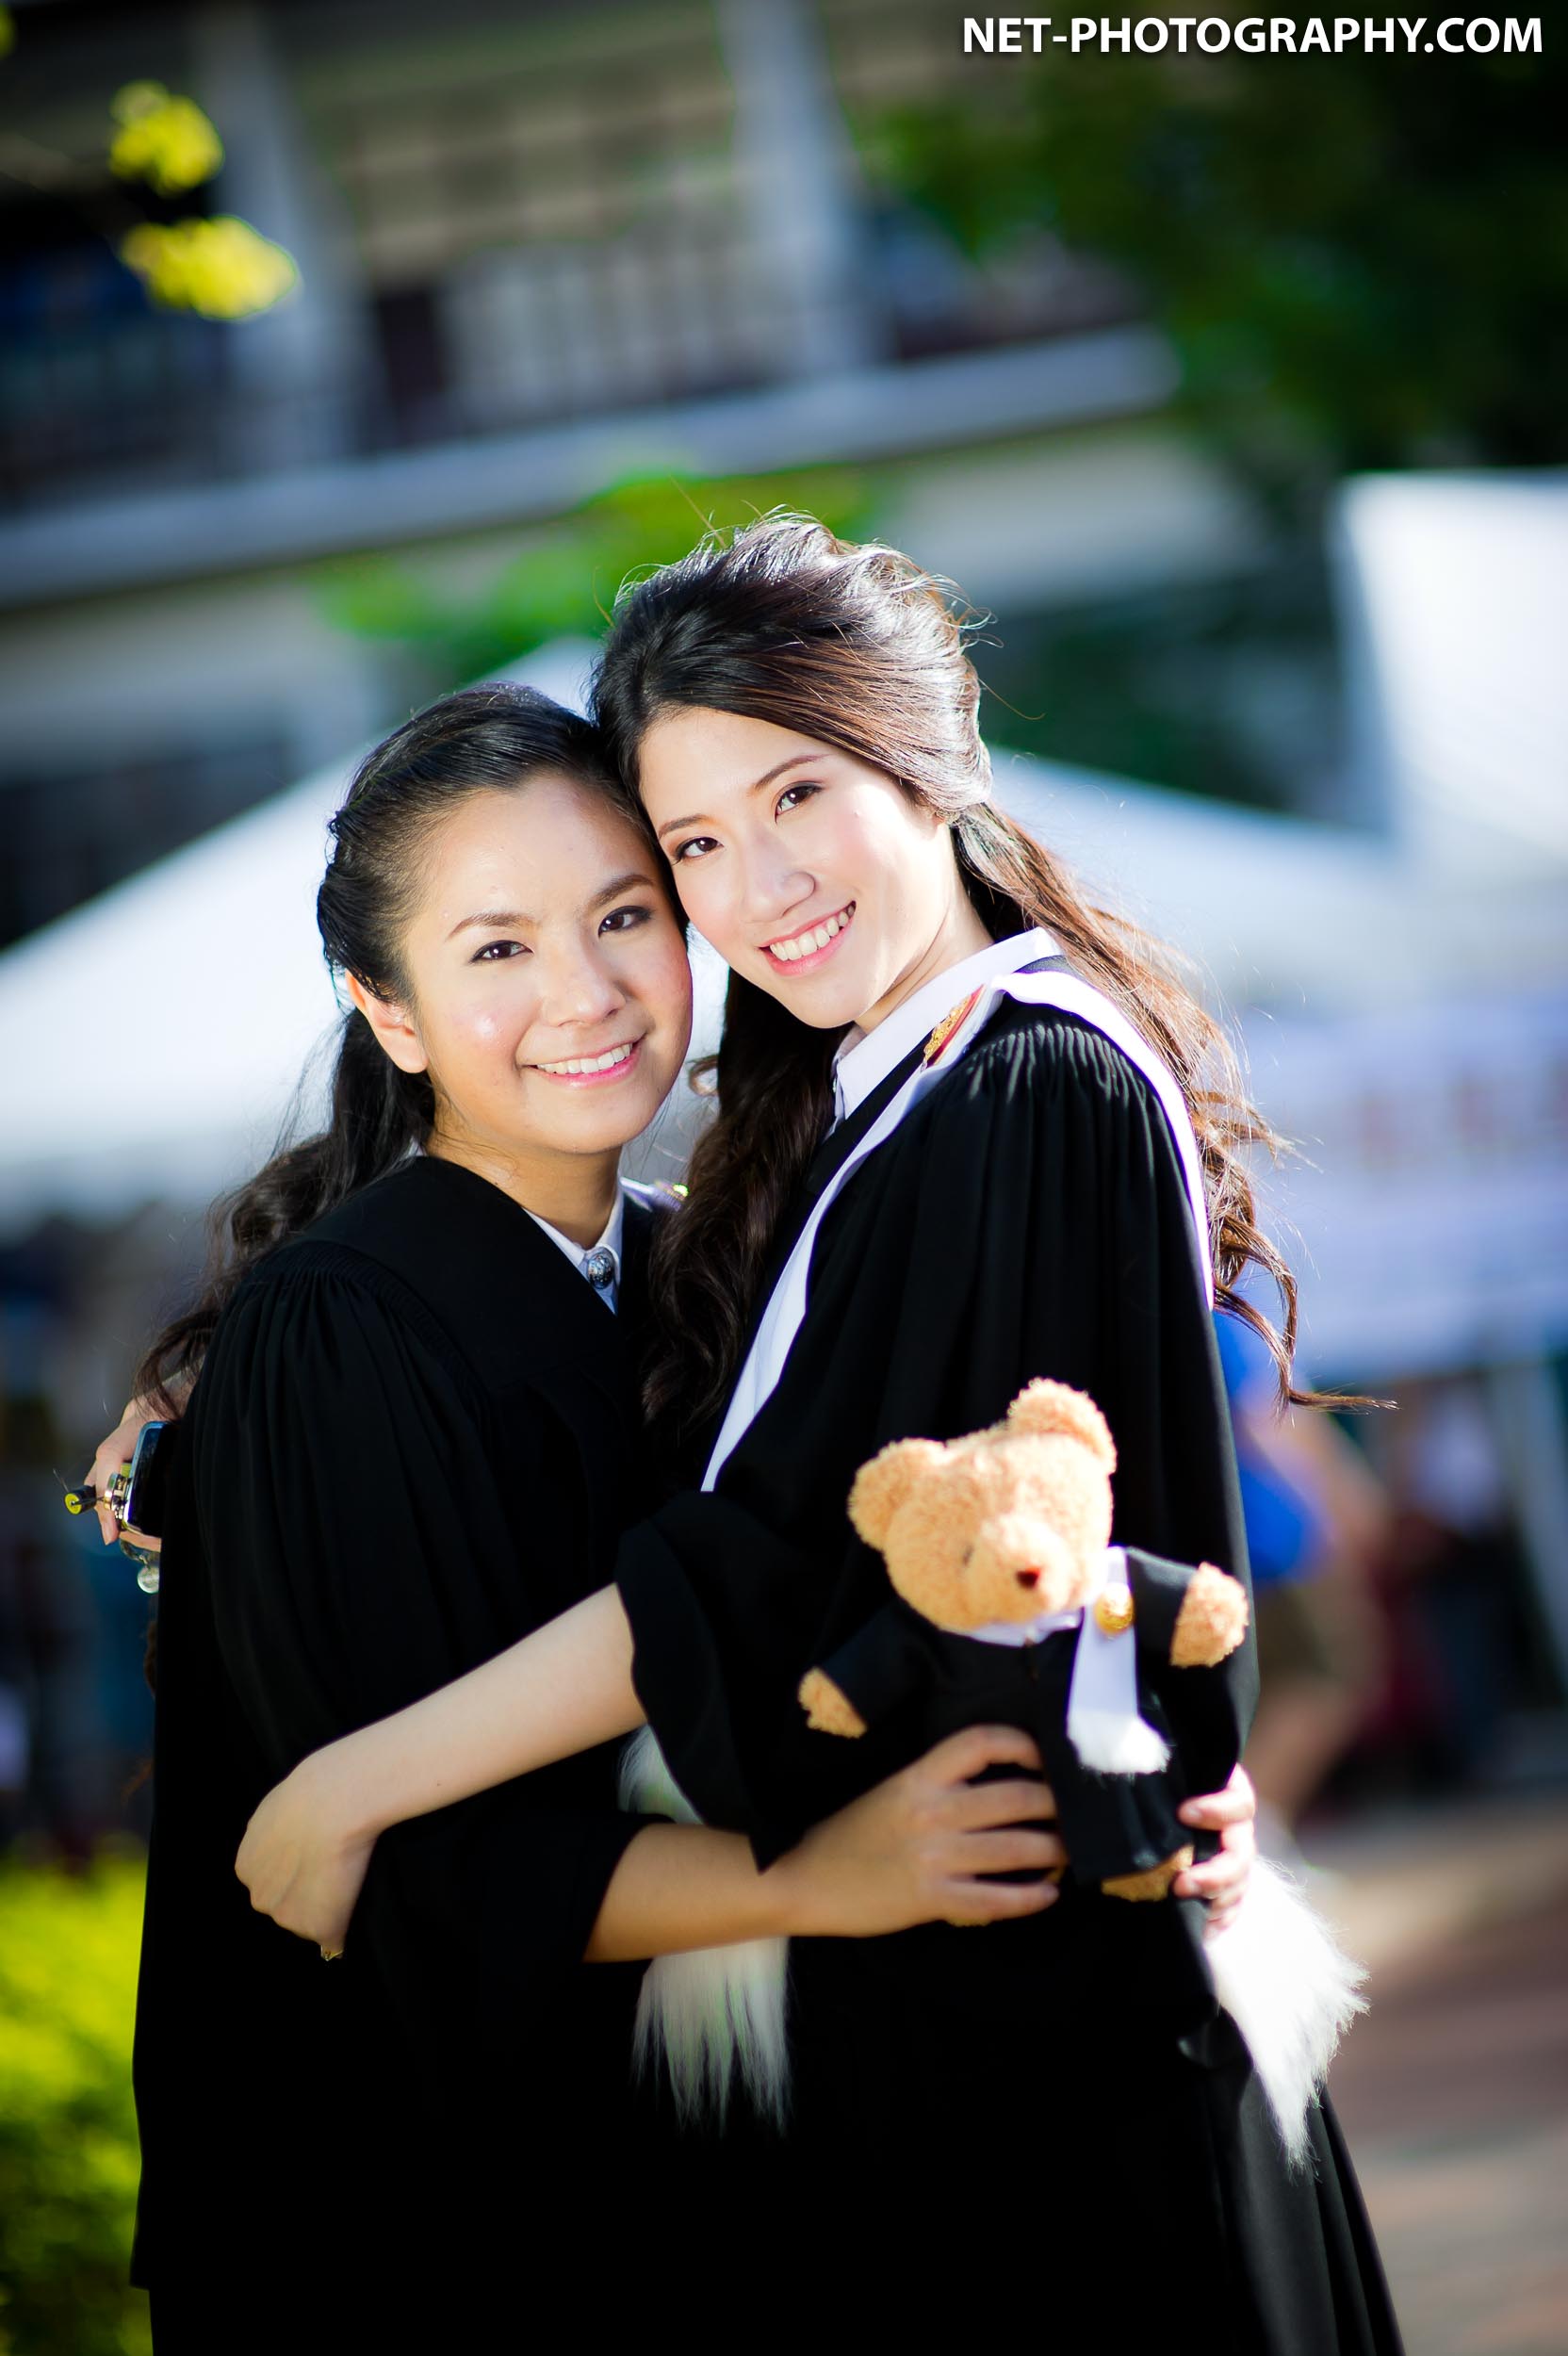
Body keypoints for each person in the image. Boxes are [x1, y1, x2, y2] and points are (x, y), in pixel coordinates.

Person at [237, 520, 1395, 2348]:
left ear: (928, 756)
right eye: (694, 842)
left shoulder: (1017, 1083)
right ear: (387, 1008)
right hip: (917, 2076)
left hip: (1063, 2068)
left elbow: (758, 1567)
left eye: (793, 794)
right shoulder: (855, 1115)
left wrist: (356, 1778)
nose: (750, 884)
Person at [119, 683, 1082, 2350]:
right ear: (390, 1011)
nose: (585, 992)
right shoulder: (339, 1326)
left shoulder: (694, 1263)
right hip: (396, 2220)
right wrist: (819, 1882)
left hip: (652, 2175)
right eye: (495, 950)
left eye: (626, 913)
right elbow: (399, 1879)